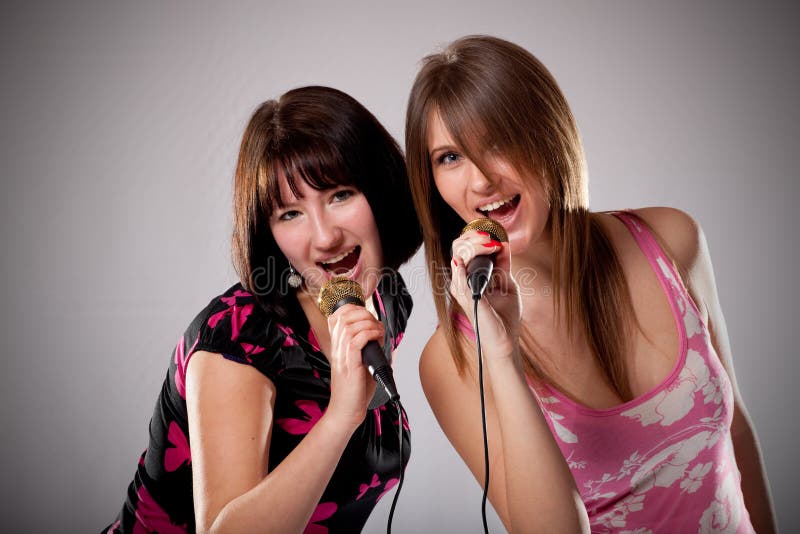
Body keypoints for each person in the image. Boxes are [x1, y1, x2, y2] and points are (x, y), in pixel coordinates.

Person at [405, 35, 776, 533]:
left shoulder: (671, 239)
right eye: (450, 157)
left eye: (497, 141)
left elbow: (736, 430)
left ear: (547, 132)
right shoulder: (453, 359)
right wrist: (503, 356)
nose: (480, 181)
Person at [105, 86, 422, 533]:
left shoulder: (384, 298)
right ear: (268, 232)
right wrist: (340, 418)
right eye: (290, 214)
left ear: (380, 188)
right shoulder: (236, 340)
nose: (325, 237)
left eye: (340, 195)